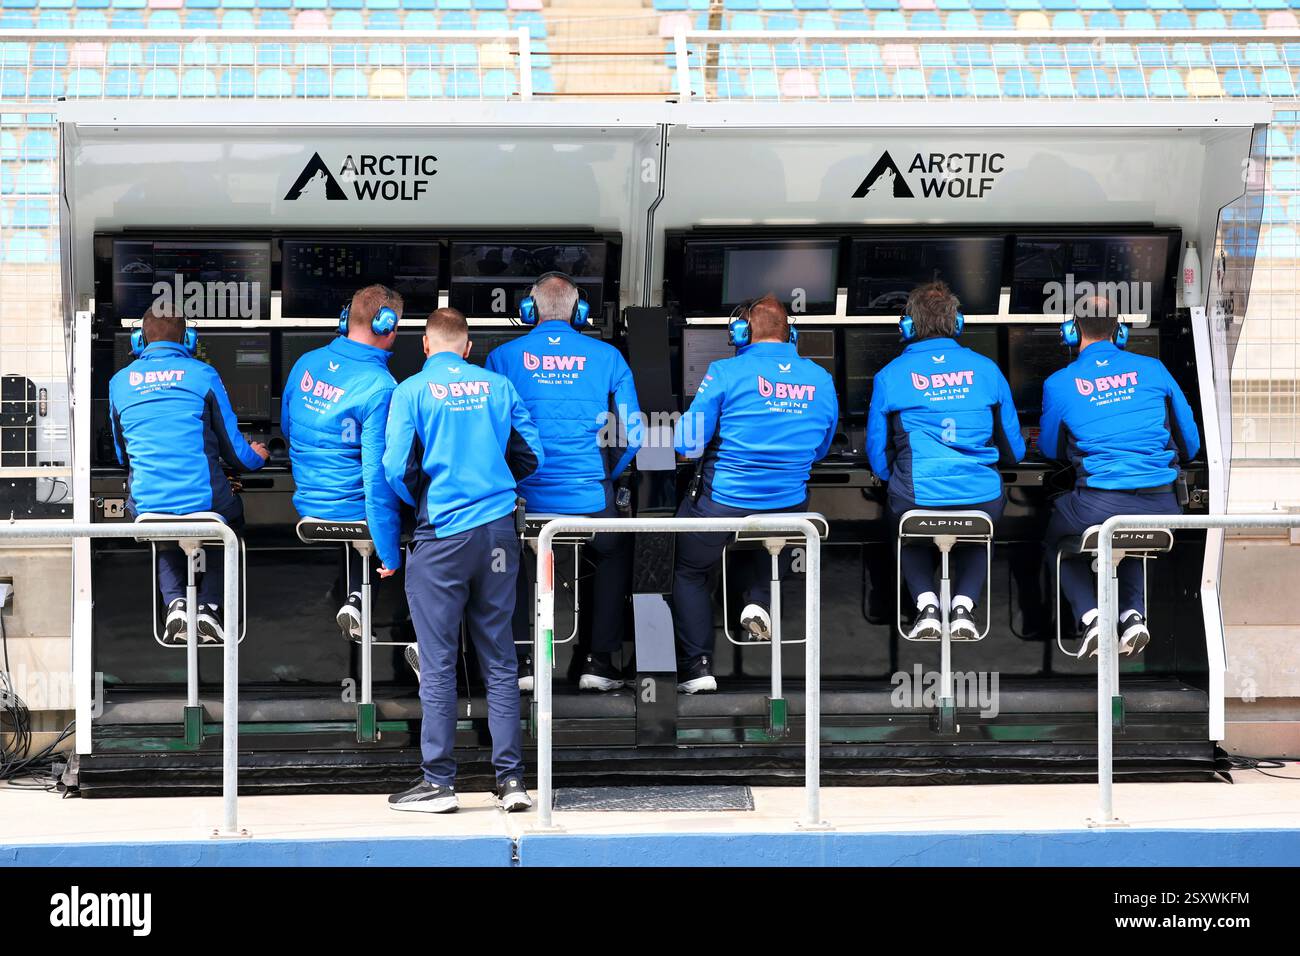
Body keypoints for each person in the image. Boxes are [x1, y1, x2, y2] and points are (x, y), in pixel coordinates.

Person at [382, 307, 545, 814]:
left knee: (438, 664)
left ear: (426, 347)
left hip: (442, 537)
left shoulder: (410, 390)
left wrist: (425, 500)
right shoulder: (498, 387)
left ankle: (439, 784)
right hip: (498, 531)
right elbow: (530, 454)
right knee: (499, 659)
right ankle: (512, 782)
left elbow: (394, 467)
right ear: (468, 347)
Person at [671, 294, 838, 693]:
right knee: (771, 539)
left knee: (688, 569)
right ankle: (757, 597)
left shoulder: (724, 371)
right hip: (788, 509)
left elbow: (687, 444)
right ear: (791, 333)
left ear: (741, 332)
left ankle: (699, 668)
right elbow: (821, 448)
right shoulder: (821, 378)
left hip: (723, 504)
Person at [485, 273, 642, 693]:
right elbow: (633, 434)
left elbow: (490, 435)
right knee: (613, 550)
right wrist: (604, 476)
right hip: (587, 499)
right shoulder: (608, 357)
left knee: (508, 555)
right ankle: (598, 661)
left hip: (523, 502)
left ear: (529, 310)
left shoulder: (501, 357)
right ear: (580, 312)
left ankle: (521, 661)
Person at [1040, 296, 1201, 658]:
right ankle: (1132, 617)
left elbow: (1050, 449)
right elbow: (1190, 441)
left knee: (1055, 538)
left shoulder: (1059, 383)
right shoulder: (1155, 369)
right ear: (1121, 331)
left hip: (1099, 505)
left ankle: (1092, 617)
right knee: (1125, 536)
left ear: (1071, 331)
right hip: (1162, 509)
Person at [867, 281, 1024, 641]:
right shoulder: (987, 369)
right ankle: (964, 607)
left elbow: (877, 455)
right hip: (982, 498)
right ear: (958, 323)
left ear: (908, 326)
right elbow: (1014, 450)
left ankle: (926, 606)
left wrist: (897, 476)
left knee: (905, 531)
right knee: (980, 533)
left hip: (916, 497)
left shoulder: (889, 375)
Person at [108, 305, 269, 644]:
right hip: (206, 504)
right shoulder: (202, 375)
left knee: (163, 528)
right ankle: (209, 606)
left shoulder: (118, 383)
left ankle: (176, 604)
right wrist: (258, 456)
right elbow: (235, 453)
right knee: (226, 523)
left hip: (147, 506)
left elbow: (122, 453)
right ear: (188, 339)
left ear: (139, 341)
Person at [282, 284, 404, 639]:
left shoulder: (306, 362)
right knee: (426, 520)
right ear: (387, 325)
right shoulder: (381, 386)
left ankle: (352, 594)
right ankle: (367, 604)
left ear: (345, 319)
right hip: (353, 510)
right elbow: (377, 475)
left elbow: (289, 432)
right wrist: (388, 552)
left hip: (308, 503)